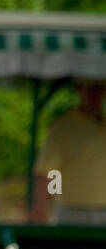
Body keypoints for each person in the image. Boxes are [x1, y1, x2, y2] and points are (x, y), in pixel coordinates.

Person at [31, 81, 106, 225]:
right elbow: (47, 171)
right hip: (72, 212)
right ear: (79, 90)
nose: (94, 94)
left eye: (99, 88)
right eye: (90, 88)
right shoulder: (62, 127)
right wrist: (40, 208)